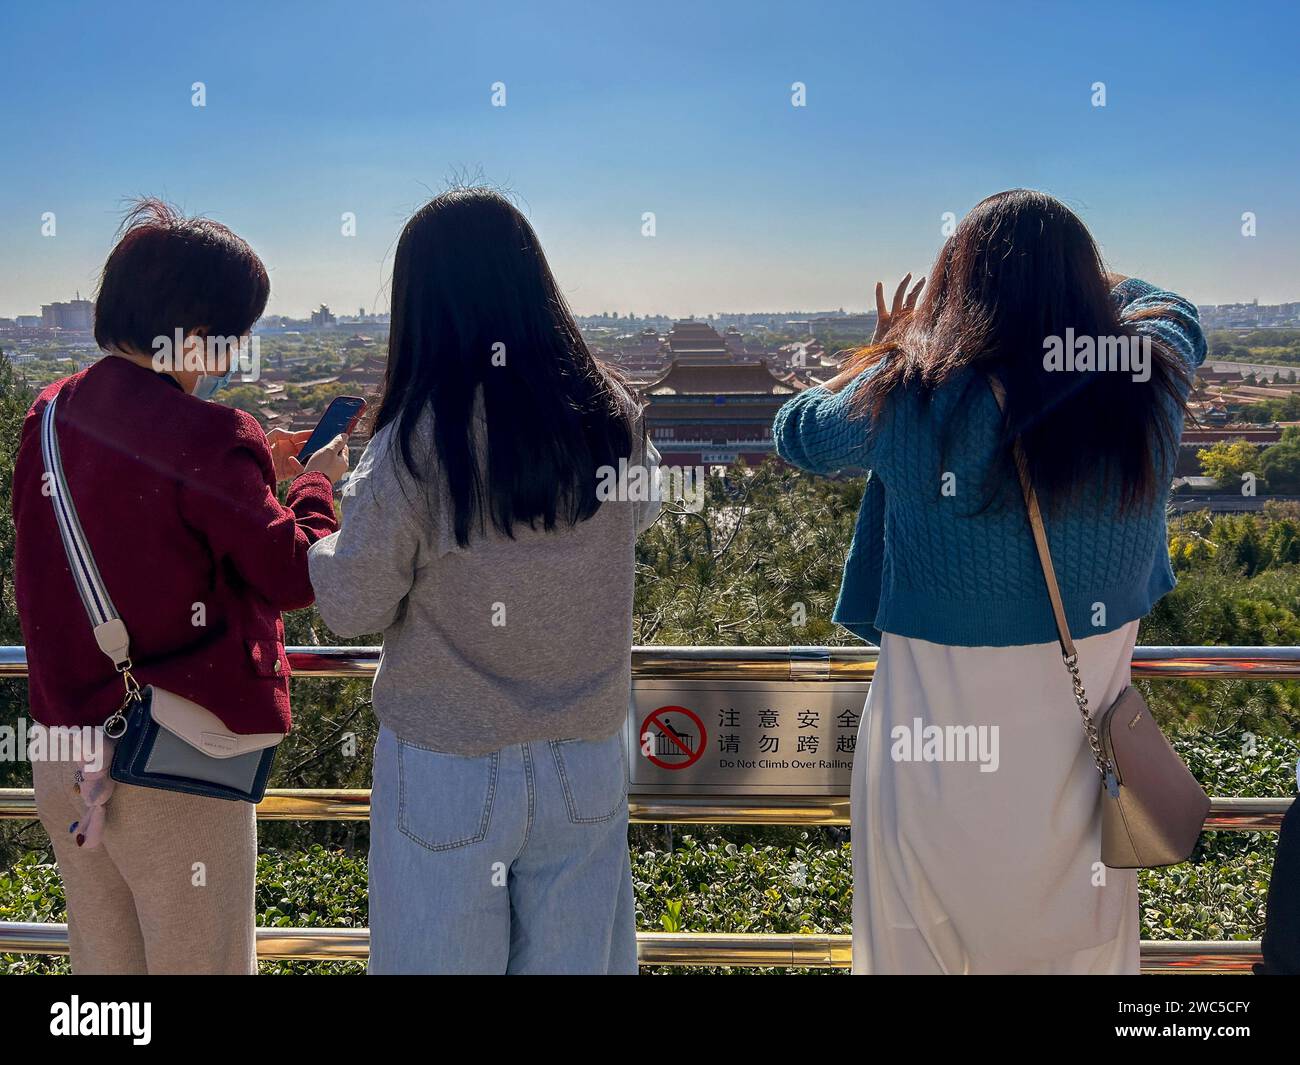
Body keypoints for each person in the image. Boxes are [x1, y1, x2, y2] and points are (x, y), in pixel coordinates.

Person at [773, 189, 1206, 974]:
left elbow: (796, 430)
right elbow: (1174, 308)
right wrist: (1081, 292)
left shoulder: (910, 399)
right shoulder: (1143, 388)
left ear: (954, 289)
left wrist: (888, 352)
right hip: (1086, 790)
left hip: (930, 782)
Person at [308, 187, 658, 975]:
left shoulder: (416, 441)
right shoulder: (613, 418)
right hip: (586, 756)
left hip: (449, 764)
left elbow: (352, 605)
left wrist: (322, 520)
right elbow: (640, 522)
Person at [11, 199, 349, 974]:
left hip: (64, 749)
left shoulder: (50, 415)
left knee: (107, 973)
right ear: (194, 335)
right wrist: (316, 487)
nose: (233, 357)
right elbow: (292, 573)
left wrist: (254, 461)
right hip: (171, 763)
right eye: (233, 337)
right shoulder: (209, 437)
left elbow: (129, 502)